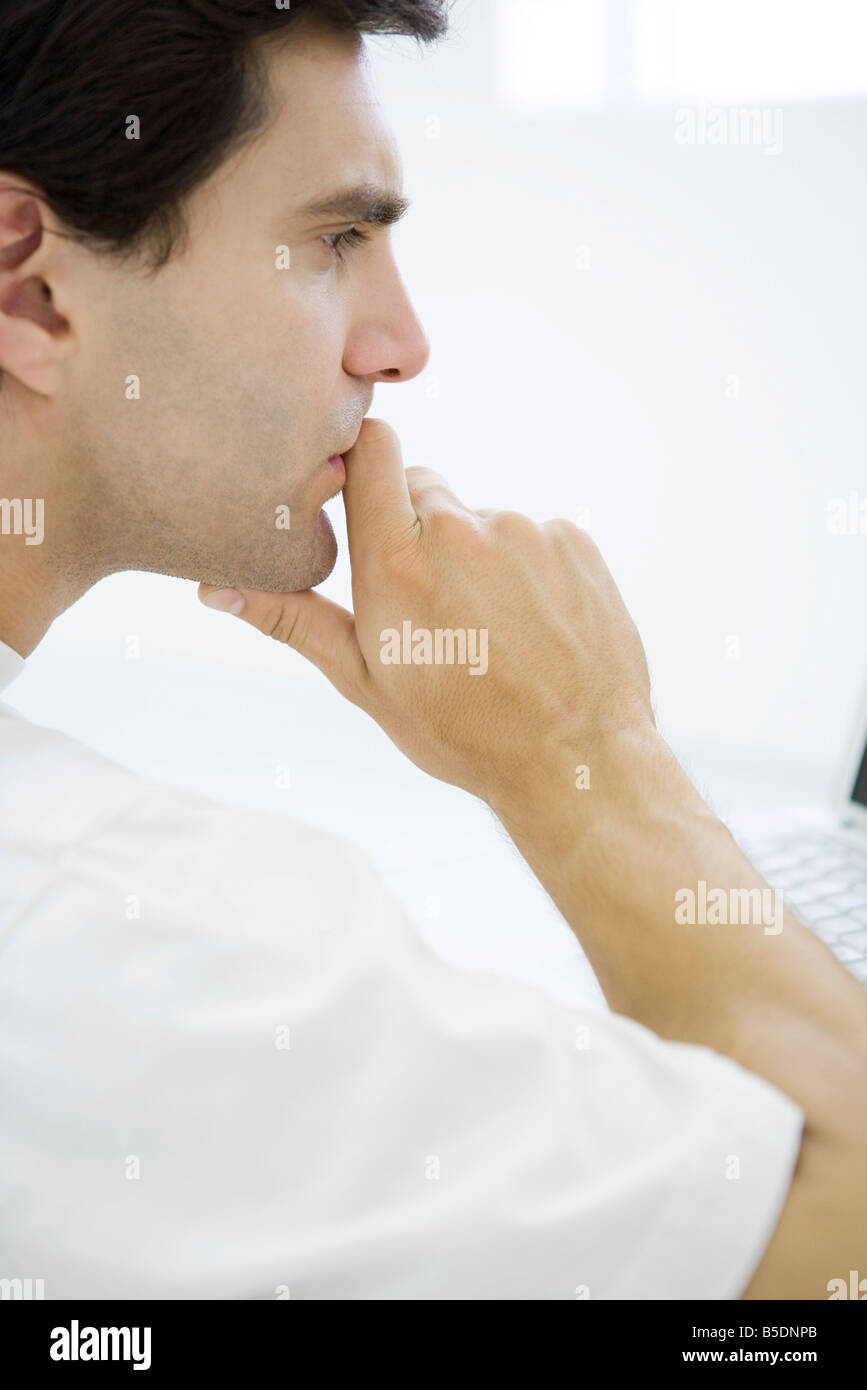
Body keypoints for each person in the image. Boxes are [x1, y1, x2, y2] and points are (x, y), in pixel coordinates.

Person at [0, 0, 864, 1301]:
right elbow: (844, 1236)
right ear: (30, 283)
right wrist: (587, 755)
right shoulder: (117, 923)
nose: (401, 346)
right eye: (335, 238)